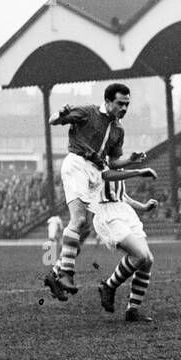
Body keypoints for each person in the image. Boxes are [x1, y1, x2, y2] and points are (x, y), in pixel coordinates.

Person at [43, 83, 146, 301]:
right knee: (78, 220)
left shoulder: (118, 130)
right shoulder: (87, 112)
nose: (124, 108)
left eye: (127, 104)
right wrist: (60, 113)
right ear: (108, 101)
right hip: (77, 164)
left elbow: (114, 161)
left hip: (95, 174)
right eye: (120, 103)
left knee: (85, 230)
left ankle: (54, 274)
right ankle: (66, 273)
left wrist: (132, 159)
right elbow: (53, 121)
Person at [94, 167, 160, 323]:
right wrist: (138, 170)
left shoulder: (118, 163)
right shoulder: (99, 159)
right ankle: (108, 286)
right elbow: (106, 175)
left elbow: (121, 196)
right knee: (139, 255)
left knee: (148, 260)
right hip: (107, 212)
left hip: (125, 212)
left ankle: (133, 310)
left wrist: (143, 207)